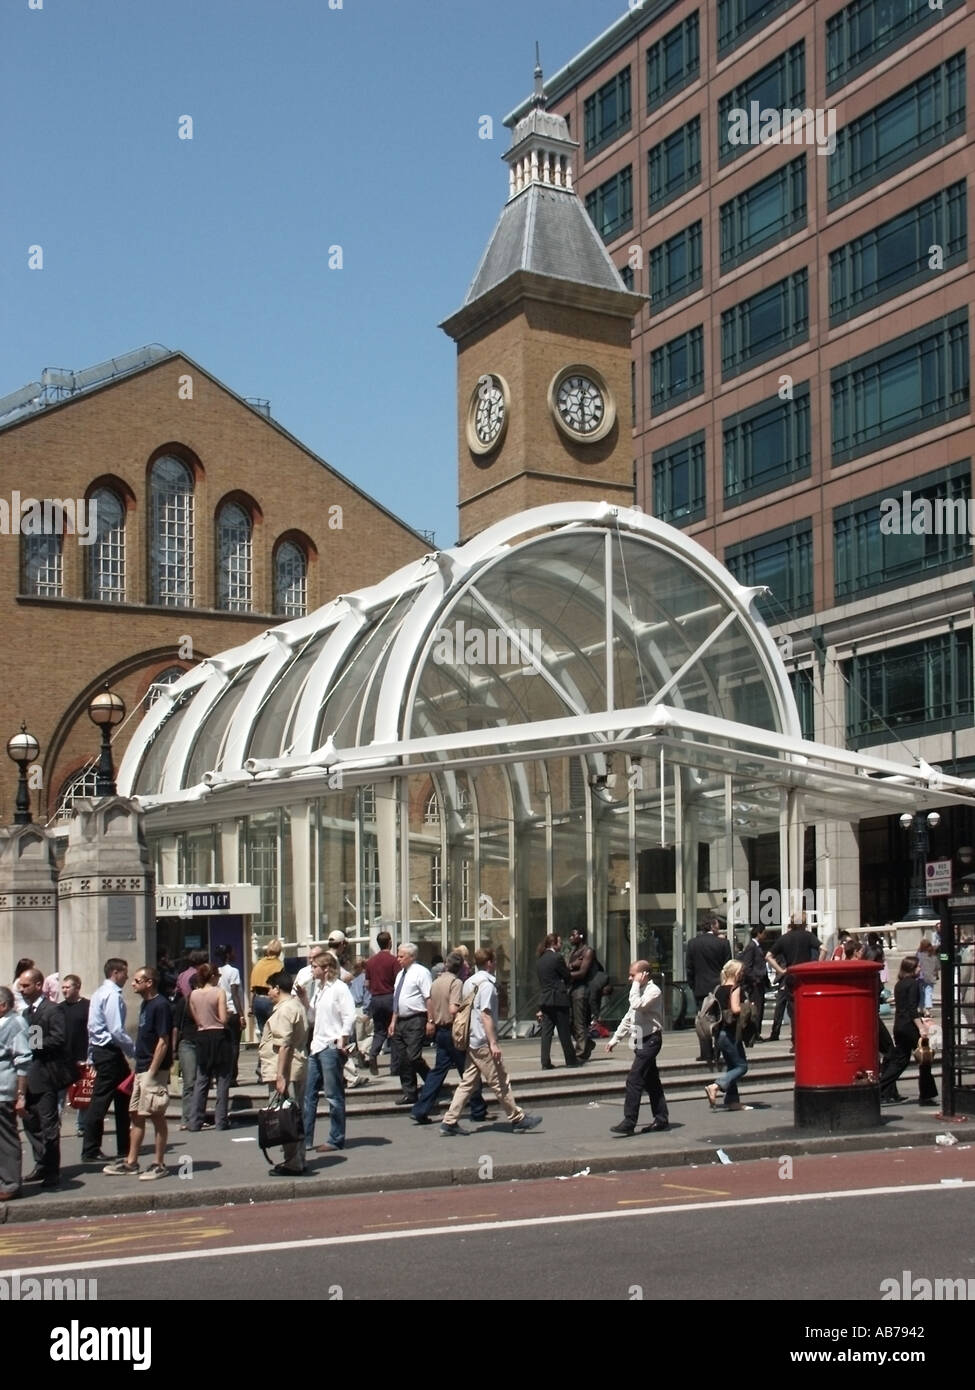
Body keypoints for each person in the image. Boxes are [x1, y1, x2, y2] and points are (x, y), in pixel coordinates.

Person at [440, 946, 541, 1136]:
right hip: (482, 1040)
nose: (496, 964)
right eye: (495, 961)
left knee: (468, 1082)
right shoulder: (486, 985)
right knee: (500, 1080)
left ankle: (449, 1121)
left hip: (472, 1039)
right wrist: (493, 1043)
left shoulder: (469, 982)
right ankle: (517, 1118)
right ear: (489, 963)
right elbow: (486, 1015)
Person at [103, 966, 172, 1180]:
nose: (132, 984)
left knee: (155, 1115)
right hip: (141, 1068)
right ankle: (131, 1161)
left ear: (149, 982)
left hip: (153, 1070)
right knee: (136, 1115)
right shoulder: (145, 1004)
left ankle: (159, 1163)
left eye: (137, 980)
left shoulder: (161, 1005)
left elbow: (163, 1041)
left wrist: (152, 1072)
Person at [411, 951, 487, 1124]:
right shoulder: (456, 982)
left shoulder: (436, 982)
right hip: (453, 1031)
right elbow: (453, 1009)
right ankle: (478, 1109)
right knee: (469, 1071)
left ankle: (421, 1108)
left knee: (438, 1072)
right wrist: (465, 1009)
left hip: (440, 1031)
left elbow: (429, 1003)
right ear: (459, 967)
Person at [17, 967, 74, 1190]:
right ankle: (41, 1163)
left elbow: (59, 1038)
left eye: (26, 985)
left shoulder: (52, 1010)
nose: (21, 990)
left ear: (39, 985)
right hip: (29, 1077)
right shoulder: (25, 1013)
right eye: (20, 985)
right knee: (31, 1124)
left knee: (48, 1125)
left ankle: (52, 1171)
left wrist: (34, 1044)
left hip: (47, 1076)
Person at [605, 959, 669, 1135]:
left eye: (633, 975)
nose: (630, 978)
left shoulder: (653, 991)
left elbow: (637, 1005)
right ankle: (661, 1118)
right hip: (640, 1039)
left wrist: (634, 986)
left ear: (644, 975)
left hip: (651, 1040)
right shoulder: (638, 991)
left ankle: (629, 1121)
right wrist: (614, 1040)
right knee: (652, 1081)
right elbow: (629, 1017)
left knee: (634, 1079)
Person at [82, 958, 134, 1163]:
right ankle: (91, 1149)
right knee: (101, 1100)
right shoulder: (112, 995)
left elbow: (91, 1027)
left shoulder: (98, 993)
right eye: (124, 972)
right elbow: (116, 1030)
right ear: (115, 972)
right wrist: (133, 1050)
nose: (127, 977)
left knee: (122, 1095)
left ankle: (124, 1146)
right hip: (109, 1051)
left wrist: (90, 1054)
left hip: (102, 1050)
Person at [304, 951, 355, 1153]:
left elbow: (349, 1015)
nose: (312, 969)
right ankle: (305, 1138)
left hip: (331, 1044)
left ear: (326, 968)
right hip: (317, 1044)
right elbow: (312, 1016)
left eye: (315, 966)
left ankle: (336, 1138)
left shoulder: (339, 988)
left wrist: (343, 1037)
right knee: (309, 1094)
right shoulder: (319, 988)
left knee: (333, 1094)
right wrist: (304, 1000)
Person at [259, 970, 308, 1175]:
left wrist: (280, 1076)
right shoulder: (297, 1005)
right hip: (297, 1068)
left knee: (286, 1117)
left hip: (286, 1071)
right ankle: (299, 1159)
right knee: (295, 1115)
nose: (268, 993)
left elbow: (284, 1045)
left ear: (277, 989)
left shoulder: (284, 1010)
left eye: (269, 988)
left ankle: (293, 1162)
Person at [880, 955, 938, 1107]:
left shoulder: (899, 984)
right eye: (918, 966)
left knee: (900, 1061)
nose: (920, 969)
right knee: (925, 1060)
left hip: (899, 1026)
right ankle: (926, 1095)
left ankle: (879, 1088)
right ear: (912, 968)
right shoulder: (913, 984)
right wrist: (921, 1027)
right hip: (910, 1027)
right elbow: (912, 1009)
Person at [188, 962, 232, 1131]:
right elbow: (223, 1018)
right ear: (213, 976)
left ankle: (195, 1120)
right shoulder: (219, 992)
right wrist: (227, 1014)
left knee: (202, 1079)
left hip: (202, 1035)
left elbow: (197, 1019)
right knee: (223, 1079)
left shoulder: (193, 995)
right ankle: (221, 1120)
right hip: (219, 1035)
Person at [388, 942, 434, 1106]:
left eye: (401, 956)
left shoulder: (421, 973)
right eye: (398, 956)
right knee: (402, 1058)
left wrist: (430, 1020)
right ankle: (409, 1092)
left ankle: (431, 1081)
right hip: (400, 1020)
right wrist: (393, 1021)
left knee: (413, 1056)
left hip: (416, 1018)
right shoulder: (401, 975)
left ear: (412, 957)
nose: (398, 959)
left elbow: (428, 997)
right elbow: (397, 999)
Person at [767, 916, 820, 1049]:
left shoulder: (784, 938)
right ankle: (809, 1037)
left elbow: (768, 956)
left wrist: (781, 970)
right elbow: (823, 948)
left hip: (791, 976)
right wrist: (817, 965)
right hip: (806, 976)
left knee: (793, 1010)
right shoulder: (808, 936)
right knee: (809, 1009)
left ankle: (796, 1041)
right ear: (804, 924)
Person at [705, 960, 750, 1112]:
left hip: (719, 1033)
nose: (743, 974)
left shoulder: (718, 989)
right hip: (731, 1033)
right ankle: (715, 1086)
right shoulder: (735, 988)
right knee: (742, 1067)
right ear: (736, 973)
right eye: (742, 971)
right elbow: (736, 1009)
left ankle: (732, 1101)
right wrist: (749, 1006)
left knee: (732, 1066)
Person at [0, 987, 31, 1201]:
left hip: (4, 1089)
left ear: (3, 1005)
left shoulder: (16, 1023)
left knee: (6, 1137)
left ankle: (11, 1184)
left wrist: (21, 1094)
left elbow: (23, 1060)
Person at [686, 918, 731, 1061]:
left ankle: (706, 1052)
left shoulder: (693, 944)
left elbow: (690, 968)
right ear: (713, 926)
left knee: (703, 1020)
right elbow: (727, 967)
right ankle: (718, 1050)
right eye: (718, 925)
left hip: (701, 988)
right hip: (718, 987)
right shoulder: (723, 943)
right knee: (719, 1019)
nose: (719, 928)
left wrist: (693, 985)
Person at [535, 934, 579, 1070]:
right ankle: (571, 1060)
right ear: (554, 944)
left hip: (545, 1000)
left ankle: (545, 1061)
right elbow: (566, 976)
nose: (561, 945)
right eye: (559, 942)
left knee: (546, 1032)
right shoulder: (557, 958)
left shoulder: (540, 960)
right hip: (559, 999)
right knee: (563, 1030)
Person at [59, 974, 90, 1138]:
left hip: (81, 1056)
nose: (64, 990)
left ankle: (82, 1125)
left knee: (82, 1093)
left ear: (77, 987)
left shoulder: (87, 1006)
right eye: (62, 987)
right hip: (63, 1058)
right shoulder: (59, 1008)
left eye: (67, 987)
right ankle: (55, 1123)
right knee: (59, 1094)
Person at [363, 931, 398, 1074]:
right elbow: (398, 981)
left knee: (379, 1031)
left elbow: (366, 983)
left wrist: (374, 991)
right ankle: (395, 1067)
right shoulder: (393, 960)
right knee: (394, 1032)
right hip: (390, 997)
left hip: (376, 999)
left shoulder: (371, 962)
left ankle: (373, 1054)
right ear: (389, 942)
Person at [566, 928, 597, 1060]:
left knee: (579, 1022)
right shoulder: (573, 952)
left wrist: (566, 974)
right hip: (572, 989)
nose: (571, 938)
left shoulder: (588, 951)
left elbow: (582, 972)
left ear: (581, 936)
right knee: (569, 1022)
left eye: (573, 935)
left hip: (582, 990)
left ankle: (581, 1052)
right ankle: (587, 1043)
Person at [170, 985, 198, 1131]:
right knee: (189, 1081)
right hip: (187, 1043)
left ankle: (196, 1116)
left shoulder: (202, 1000)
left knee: (200, 1081)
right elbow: (175, 1026)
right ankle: (186, 1118)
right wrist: (174, 1049)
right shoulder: (184, 1002)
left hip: (201, 1043)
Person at [216, 945, 245, 1085]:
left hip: (220, 1011)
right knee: (234, 1044)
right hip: (232, 1011)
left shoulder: (216, 971)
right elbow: (234, 993)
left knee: (224, 1044)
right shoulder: (233, 971)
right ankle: (232, 1075)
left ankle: (222, 1073)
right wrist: (241, 1014)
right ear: (228, 954)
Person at [737, 926, 769, 1040]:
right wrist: (754, 979)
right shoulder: (751, 947)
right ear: (759, 934)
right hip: (754, 984)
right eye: (764, 933)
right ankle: (754, 1033)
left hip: (759, 982)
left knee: (759, 1008)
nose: (765, 936)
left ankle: (757, 1032)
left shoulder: (757, 947)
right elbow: (747, 966)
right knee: (756, 1009)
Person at [250, 938, 284, 1044]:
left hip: (258, 1000)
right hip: (271, 1000)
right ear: (279, 951)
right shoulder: (279, 965)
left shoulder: (259, 963)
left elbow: (253, 987)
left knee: (263, 1033)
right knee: (274, 1032)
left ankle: (263, 1056)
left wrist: (251, 1006)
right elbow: (280, 985)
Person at [917, 940, 939, 1010]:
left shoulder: (919, 954)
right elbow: (937, 966)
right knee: (928, 992)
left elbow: (916, 963)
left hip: (921, 976)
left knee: (921, 993)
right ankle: (928, 1010)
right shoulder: (933, 955)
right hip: (930, 976)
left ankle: (921, 1009)